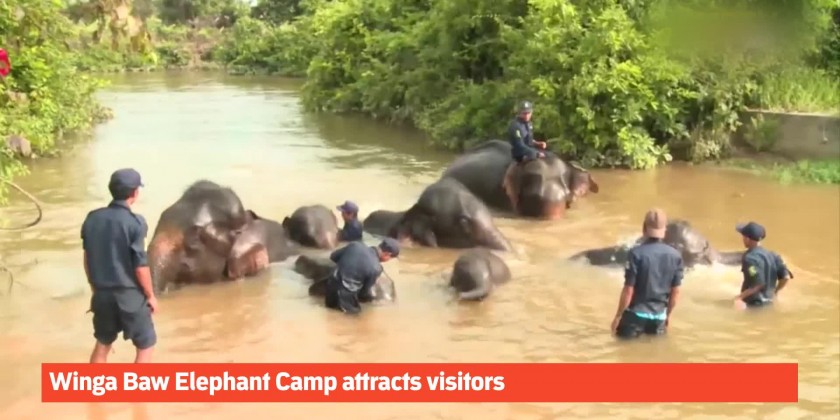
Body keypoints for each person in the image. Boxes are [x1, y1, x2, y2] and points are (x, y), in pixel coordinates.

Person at [81, 168, 157, 363]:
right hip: (129, 296)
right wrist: (150, 295)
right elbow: (140, 266)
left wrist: (95, 288)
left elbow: (87, 258)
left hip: (102, 294)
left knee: (103, 344)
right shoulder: (136, 223)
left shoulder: (92, 218)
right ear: (135, 193)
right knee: (146, 345)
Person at [611, 208, 684, 339]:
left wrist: (618, 316)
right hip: (659, 318)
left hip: (635, 316)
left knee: (625, 350)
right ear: (664, 230)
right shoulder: (676, 256)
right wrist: (667, 316)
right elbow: (676, 292)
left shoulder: (636, 253)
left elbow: (628, 290)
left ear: (644, 228)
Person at [325, 238, 400, 315]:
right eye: (390, 258)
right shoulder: (376, 268)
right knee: (356, 318)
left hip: (330, 288)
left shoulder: (355, 245)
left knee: (330, 313)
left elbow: (333, 256)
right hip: (346, 297)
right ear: (387, 254)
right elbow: (364, 292)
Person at [733, 221, 793, 309]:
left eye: (743, 237)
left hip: (753, 305)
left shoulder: (749, 258)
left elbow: (758, 284)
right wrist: (775, 292)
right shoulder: (773, 255)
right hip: (769, 303)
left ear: (747, 239)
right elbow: (786, 277)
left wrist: (739, 298)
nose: (742, 239)